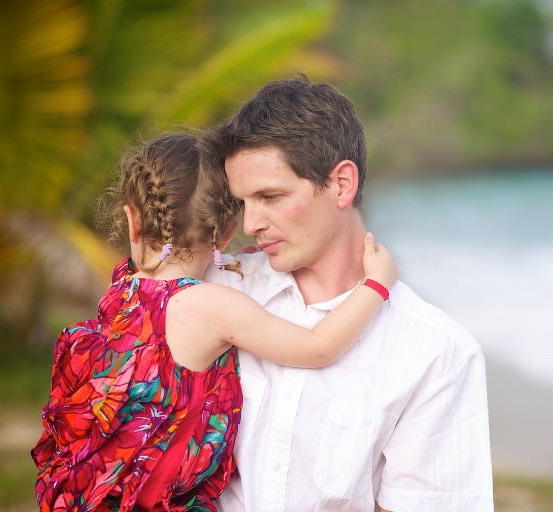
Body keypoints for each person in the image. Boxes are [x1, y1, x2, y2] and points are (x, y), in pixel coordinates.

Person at [31, 132, 397, 511]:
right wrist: (375, 284)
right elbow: (317, 347)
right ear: (223, 232)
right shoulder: (213, 306)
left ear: (132, 220)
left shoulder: (120, 291)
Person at [203, 76, 493, 511]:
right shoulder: (213, 289)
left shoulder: (436, 351)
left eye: (270, 196)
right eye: (243, 202)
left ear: (341, 184)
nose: (250, 225)